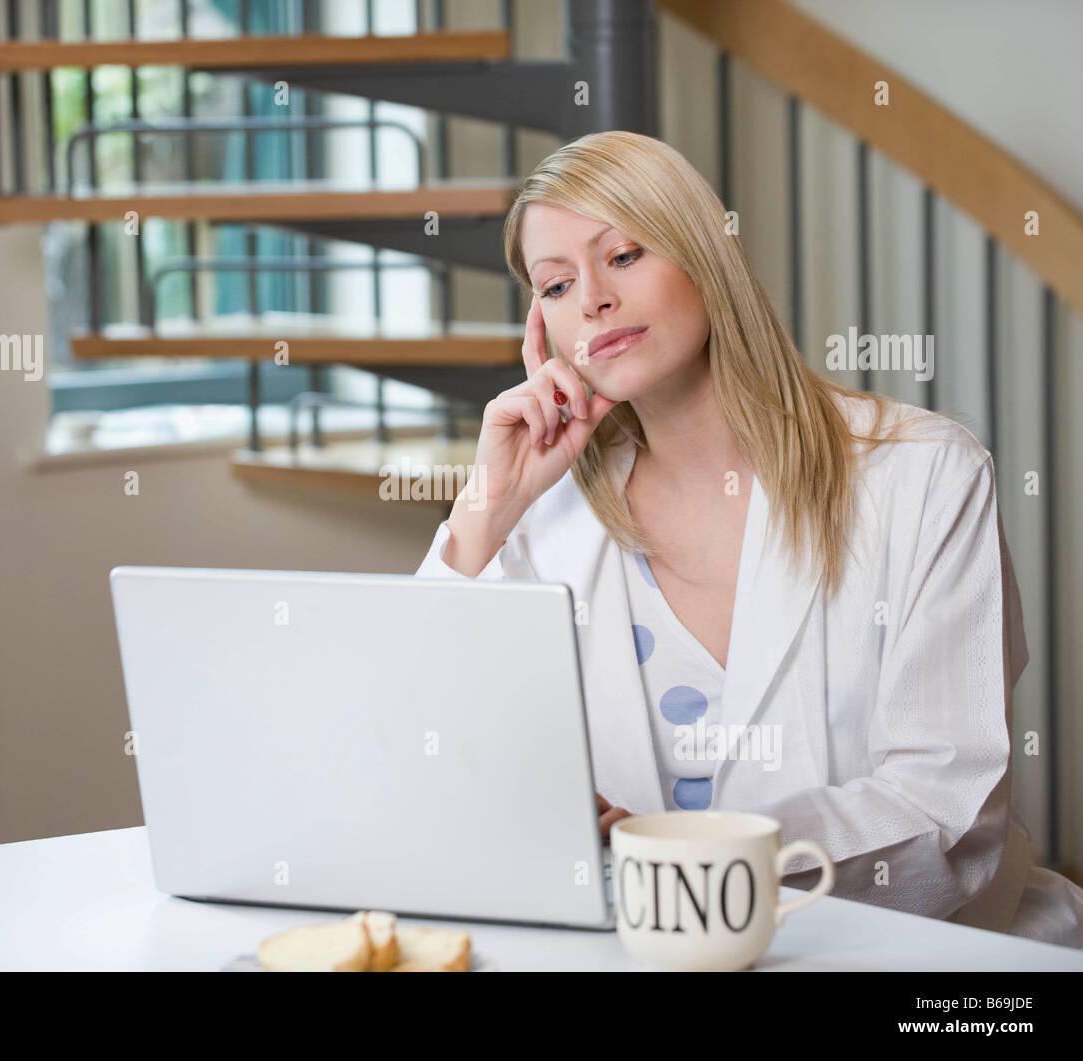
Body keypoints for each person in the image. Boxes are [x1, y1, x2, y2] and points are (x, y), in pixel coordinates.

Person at [415, 130, 1083, 949]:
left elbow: (945, 809)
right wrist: (485, 510)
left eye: (623, 255)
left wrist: (695, 856)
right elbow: (422, 757)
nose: (589, 300)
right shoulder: (542, 517)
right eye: (556, 284)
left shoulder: (925, 474)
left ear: (705, 255)